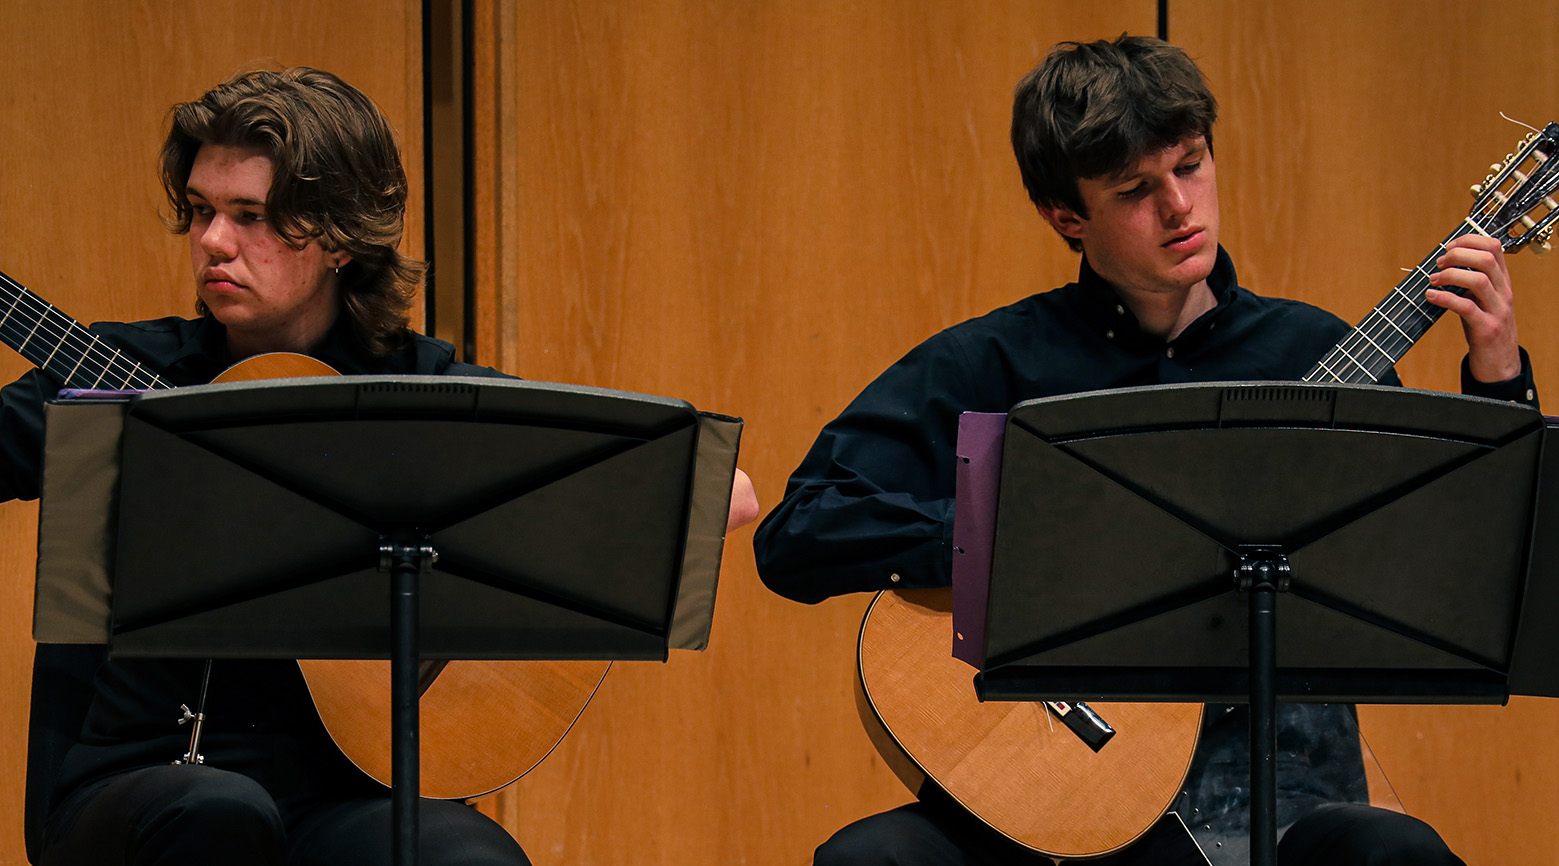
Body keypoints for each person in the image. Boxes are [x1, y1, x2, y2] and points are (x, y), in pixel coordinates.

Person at [753, 35, 1534, 866]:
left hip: (1281, 803)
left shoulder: (1311, 350)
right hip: (1047, 786)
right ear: (1066, 216)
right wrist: (1022, 532)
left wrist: (1496, 375)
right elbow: (798, 532)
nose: (1179, 207)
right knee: (869, 860)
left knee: (1399, 856)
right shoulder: (989, 364)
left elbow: (1480, 565)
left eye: (1190, 166)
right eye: (1134, 189)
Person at [12, 67, 757, 865]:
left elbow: (729, 495)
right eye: (199, 212)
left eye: (250, 216)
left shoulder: (415, 391)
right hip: (148, 780)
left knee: (470, 858)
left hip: (349, 793)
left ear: (337, 235)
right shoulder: (114, 374)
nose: (212, 243)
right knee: (219, 812)